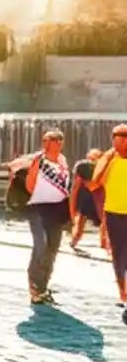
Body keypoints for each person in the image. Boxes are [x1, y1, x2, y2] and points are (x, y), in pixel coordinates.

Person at [24, 129, 71, 304]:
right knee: (41, 245)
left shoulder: (63, 160)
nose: (58, 143)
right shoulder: (39, 160)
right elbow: (30, 184)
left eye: (60, 139)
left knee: (52, 248)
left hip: (57, 210)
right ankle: (34, 286)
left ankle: (43, 286)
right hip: (38, 208)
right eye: (53, 139)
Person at [88, 124, 127, 313]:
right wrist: (108, 158)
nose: (124, 143)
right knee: (118, 256)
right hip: (114, 214)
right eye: (120, 139)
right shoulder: (108, 159)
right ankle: (123, 293)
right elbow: (94, 184)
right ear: (114, 141)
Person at [69, 148, 106, 253]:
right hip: (85, 200)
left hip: (99, 199)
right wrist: (72, 209)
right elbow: (75, 189)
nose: (92, 161)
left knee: (104, 222)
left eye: (95, 159)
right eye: (90, 158)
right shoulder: (82, 168)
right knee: (79, 223)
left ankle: (104, 244)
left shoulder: (104, 169)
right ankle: (74, 241)